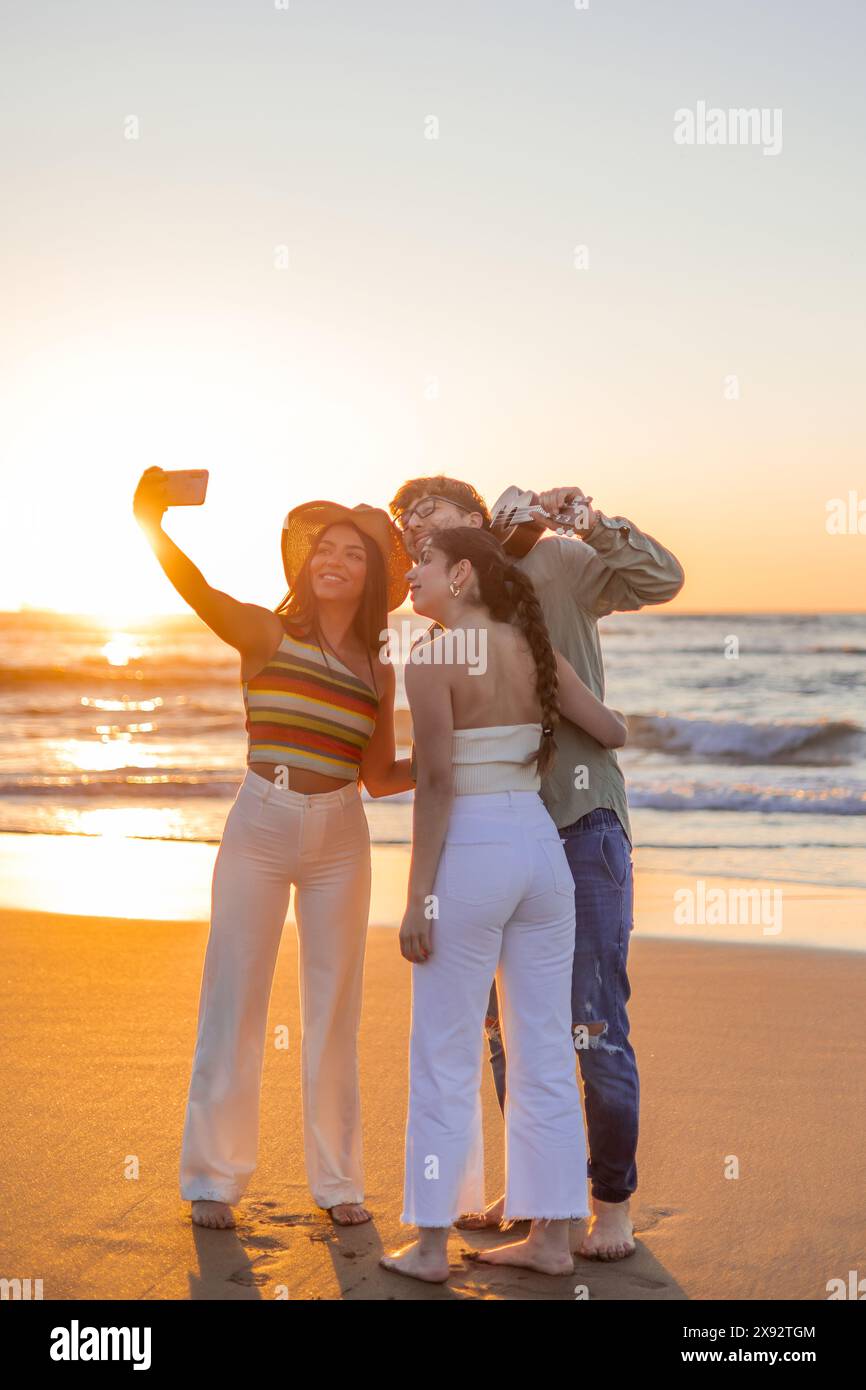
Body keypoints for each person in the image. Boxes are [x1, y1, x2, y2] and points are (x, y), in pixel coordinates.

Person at [389, 476, 685, 1260]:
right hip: (532, 845)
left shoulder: (551, 567)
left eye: (428, 520)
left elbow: (436, 779)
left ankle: (604, 1205)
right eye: (405, 526)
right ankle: (543, 1210)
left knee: (586, 1027)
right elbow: (614, 727)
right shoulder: (522, 641)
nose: (413, 534)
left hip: (572, 829)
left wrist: (591, 523)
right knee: (521, 1035)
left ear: (468, 541)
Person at [132, 469, 414, 1229]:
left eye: (354, 554)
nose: (336, 561)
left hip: (341, 839)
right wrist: (152, 524)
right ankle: (212, 1180)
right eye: (324, 548)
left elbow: (382, 776)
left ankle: (339, 1183)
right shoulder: (265, 632)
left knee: (334, 1011)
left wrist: (462, 760)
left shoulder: (378, 668)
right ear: (303, 563)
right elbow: (198, 593)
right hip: (259, 825)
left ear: (370, 575)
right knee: (235, 999)